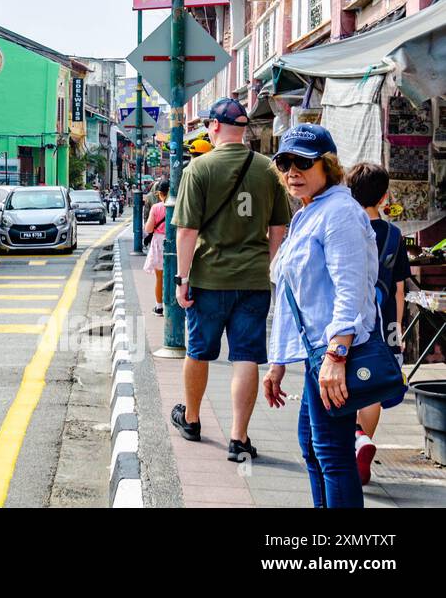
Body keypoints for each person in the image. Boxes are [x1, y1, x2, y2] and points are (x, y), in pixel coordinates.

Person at [171, 97, 292, 463]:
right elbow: (278, 228)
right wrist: (269, 269)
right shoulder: (268, 169)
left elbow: (187, 232)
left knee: (199, 351)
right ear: (243, 130)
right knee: (246, 357)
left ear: (215, 127)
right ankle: (238, 438)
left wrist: (182, 277)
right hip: (254, 280)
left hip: (209, 278)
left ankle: (191, 419)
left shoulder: (199, 169)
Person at [264, 124, 379, 509]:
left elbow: (351, 291)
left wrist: (336, 355)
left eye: (303, 162)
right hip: (317, 356)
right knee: (314, 448)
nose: (292, 171)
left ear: (327, 165)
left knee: (332, 454)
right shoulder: (309, 212)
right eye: (284, 163)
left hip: (332, 355)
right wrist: (278, 362)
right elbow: (291, 296)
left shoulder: (340, 213)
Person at [345, 162, 412, 485]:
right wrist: (395, 332)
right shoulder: (394, 236)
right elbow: (399, 289)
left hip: (347, 320)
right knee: (370, 387)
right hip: (381, 322)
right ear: (385, 197)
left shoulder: (345, 227)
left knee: (341, 380)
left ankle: (351, 441)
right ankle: (363, 439)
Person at [143, 180, 170, 317]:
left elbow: (148, 228)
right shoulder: (178, 206)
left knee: (159, 277)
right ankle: (175, 306)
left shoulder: (156, 207)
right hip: (174, 242)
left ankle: (159, 307)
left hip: (159, 243)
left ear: (160, 194)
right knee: (175, 276)